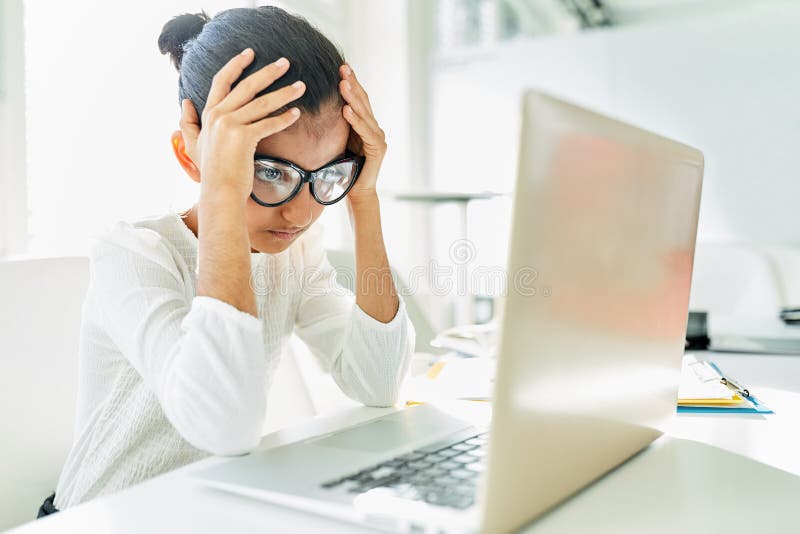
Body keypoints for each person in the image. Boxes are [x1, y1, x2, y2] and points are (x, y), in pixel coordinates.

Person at [40, 6, 414, 515]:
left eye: (329, 173)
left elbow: (378, 383)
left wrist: (362, 199)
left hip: (209, 513)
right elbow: (224, 425)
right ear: (193, 155)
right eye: (270, 172)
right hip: (99, 520)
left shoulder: (295, 253)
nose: (302, 211)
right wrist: (221, 189)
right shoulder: (131, 255)